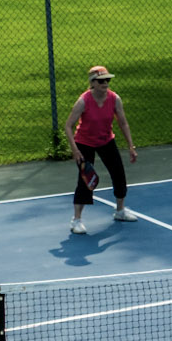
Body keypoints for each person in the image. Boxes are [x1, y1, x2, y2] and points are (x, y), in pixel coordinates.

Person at [66, 64, 137, 235]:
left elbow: (123, 122)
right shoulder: (83, 101)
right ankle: (76, 220)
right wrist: (75, 150)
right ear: (93, 83)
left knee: (118, 174)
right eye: (101, 81)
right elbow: (68, 126)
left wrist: (130, 146)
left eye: (107, 80)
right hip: (84, 143)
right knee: (85, 181)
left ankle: (120, 211)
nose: (105, 83)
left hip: (106, 141)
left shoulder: (114, 99)